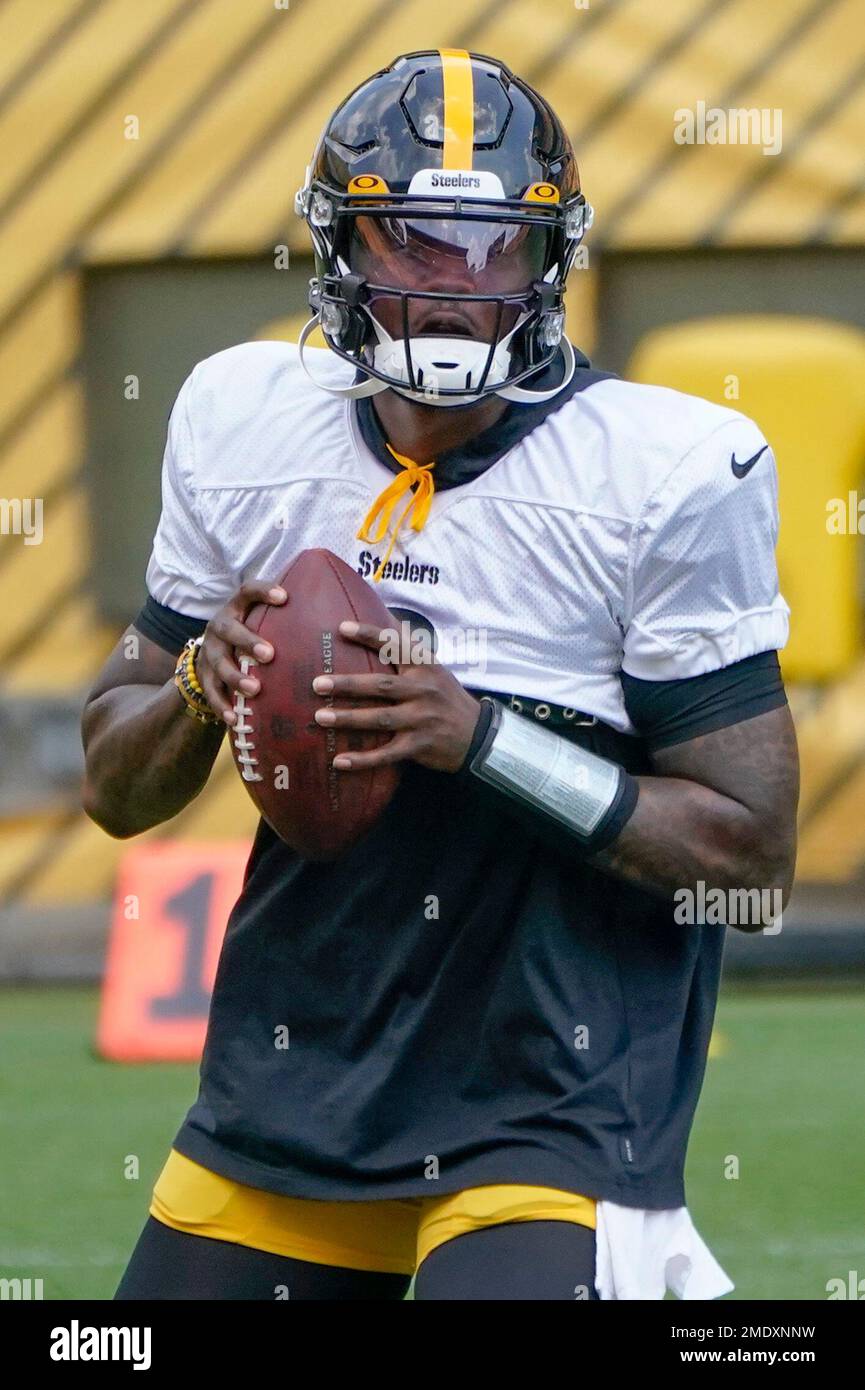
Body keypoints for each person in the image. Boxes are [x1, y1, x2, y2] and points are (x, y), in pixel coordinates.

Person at [82, 49, 798, 1301]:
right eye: (413, 244)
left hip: (549, 1098)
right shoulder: (246, 421)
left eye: (493, 250)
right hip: (293, 1078)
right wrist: (204, 680)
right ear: (338, 245)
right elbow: (111, 779)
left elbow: (750, 857)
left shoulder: (665, 470)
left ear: (551, 263)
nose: (457, 290)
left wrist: (476, 737)